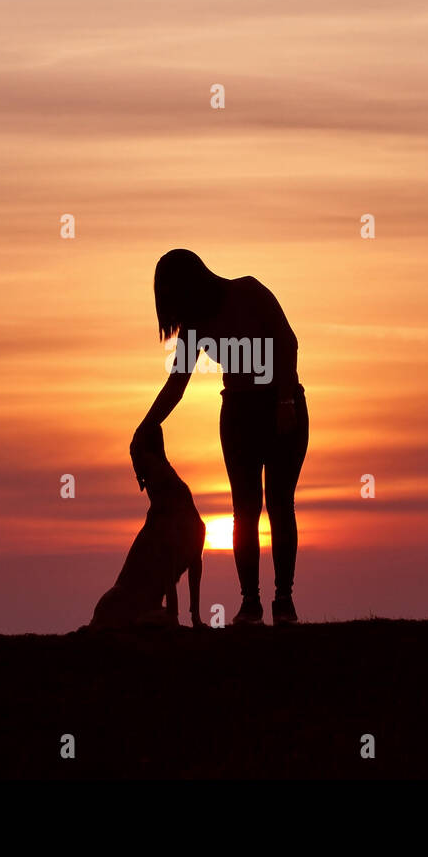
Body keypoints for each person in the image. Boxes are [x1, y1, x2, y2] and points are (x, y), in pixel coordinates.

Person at [133, 249, 309, 625]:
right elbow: (177, 383)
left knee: (280, 505)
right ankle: (250, 603)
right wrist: (146, 425)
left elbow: (288, 343)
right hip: (239, 413)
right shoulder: (195, 325)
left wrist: (283, 402)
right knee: (244, 511)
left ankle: (284, 601)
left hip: (282, 404)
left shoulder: (249, 291)